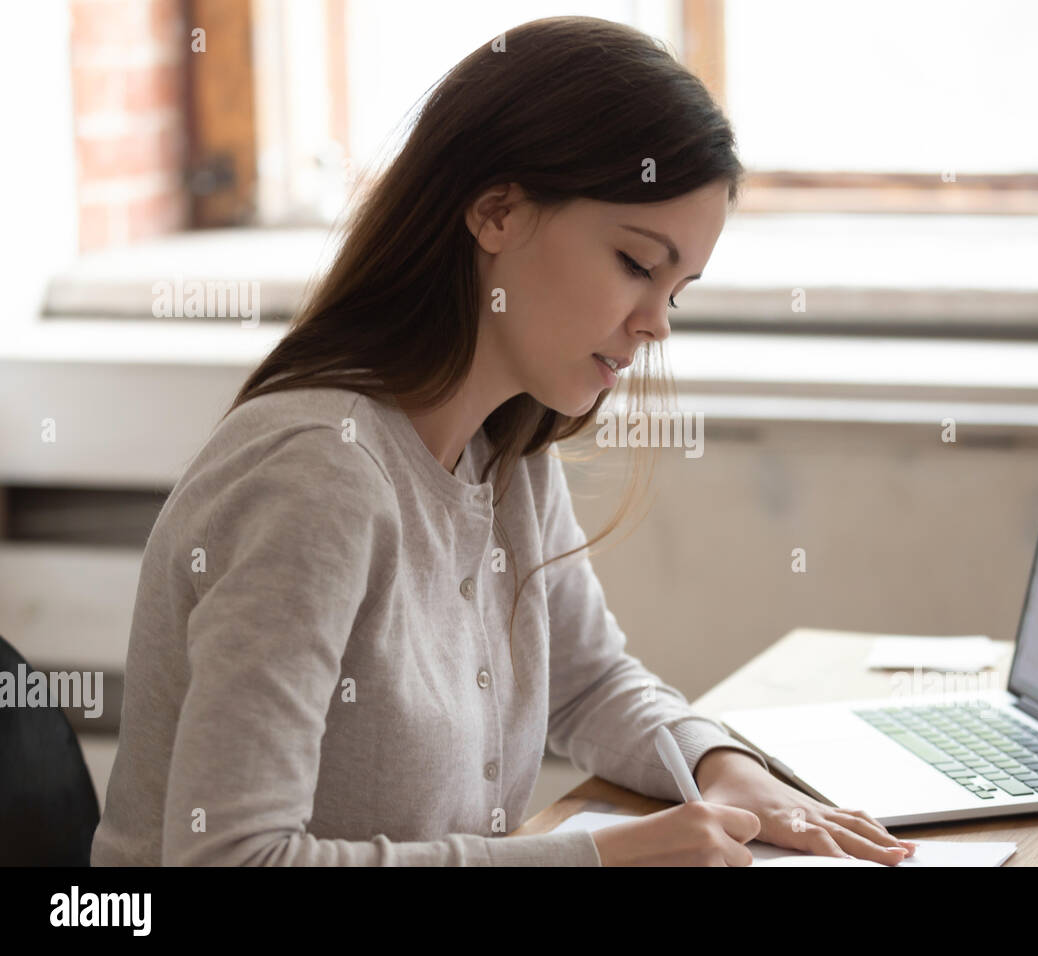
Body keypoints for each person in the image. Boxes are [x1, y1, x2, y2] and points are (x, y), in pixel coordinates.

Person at [90, 15, 915, 867]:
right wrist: (600, 860)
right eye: (637, 264)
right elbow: (231, 859)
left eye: (680, 289)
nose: (657, 324)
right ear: (497, 211)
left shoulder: (506, 445)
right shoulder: (318, 475)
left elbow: (590, 683)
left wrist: (723, 765)